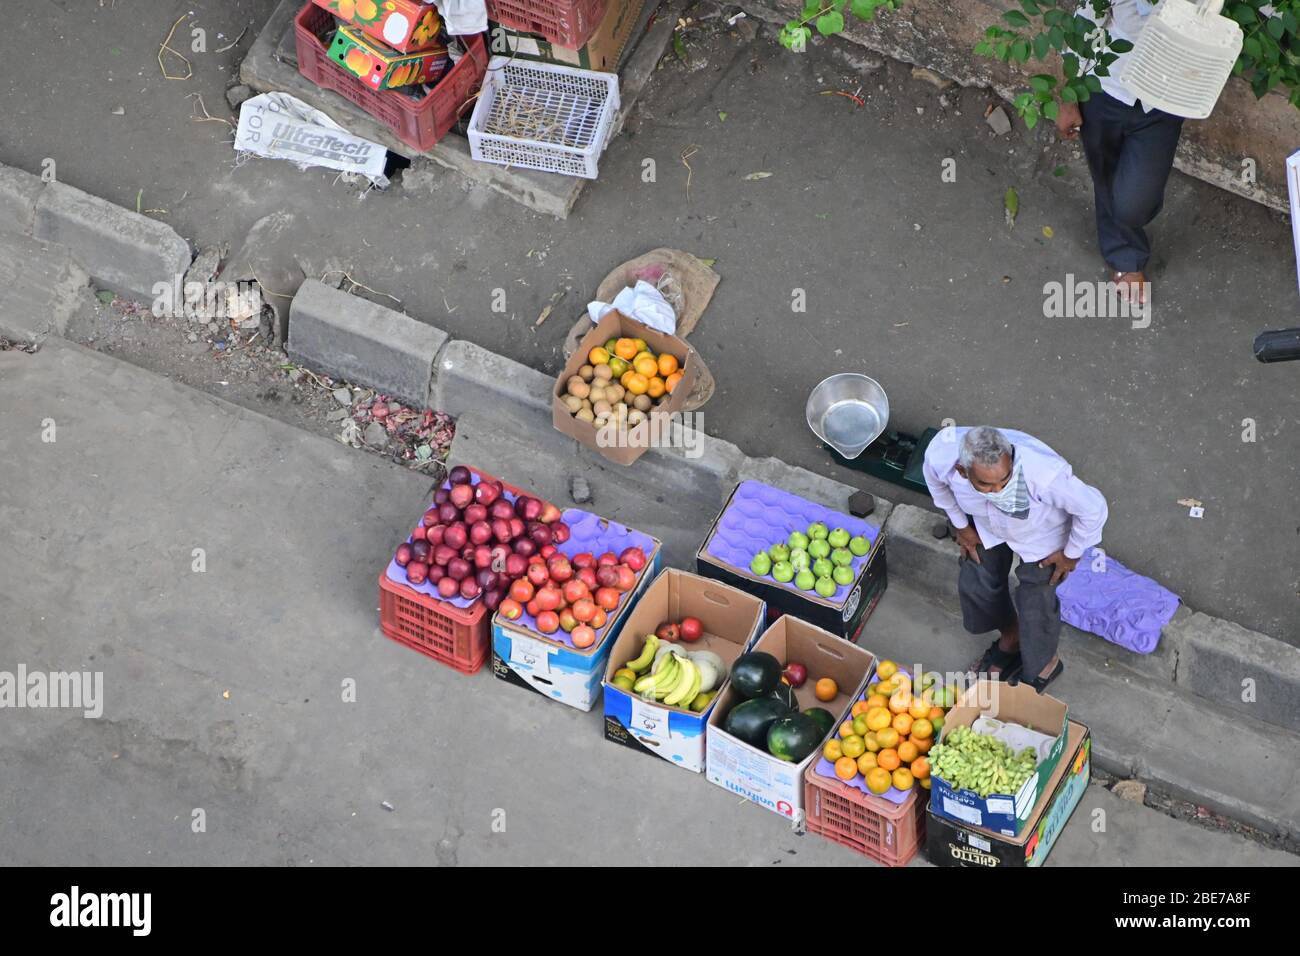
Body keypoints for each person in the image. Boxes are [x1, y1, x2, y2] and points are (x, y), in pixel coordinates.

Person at [922, 426, 1108, 693]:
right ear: (963, 472)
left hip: (1043, 534)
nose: (998, 490)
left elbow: (1093, 508)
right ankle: (1011, 637)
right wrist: (961, 527)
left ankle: (1044, 664)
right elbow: (936, 483)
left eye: (1005, 479)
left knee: (1037, 599)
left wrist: (1071, 554)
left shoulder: (1043, 475)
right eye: (986, 484)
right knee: (976, 579)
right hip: (987, 525)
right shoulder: (943, 457)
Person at [1055, 0, 1183, 306]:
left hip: (1163, 103)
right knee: (1105, 173)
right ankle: (1126, 257)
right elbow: (1085, 26)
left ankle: (1128, 222)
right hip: (1105, 89)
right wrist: (1068, 98)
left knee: (1134, 203)